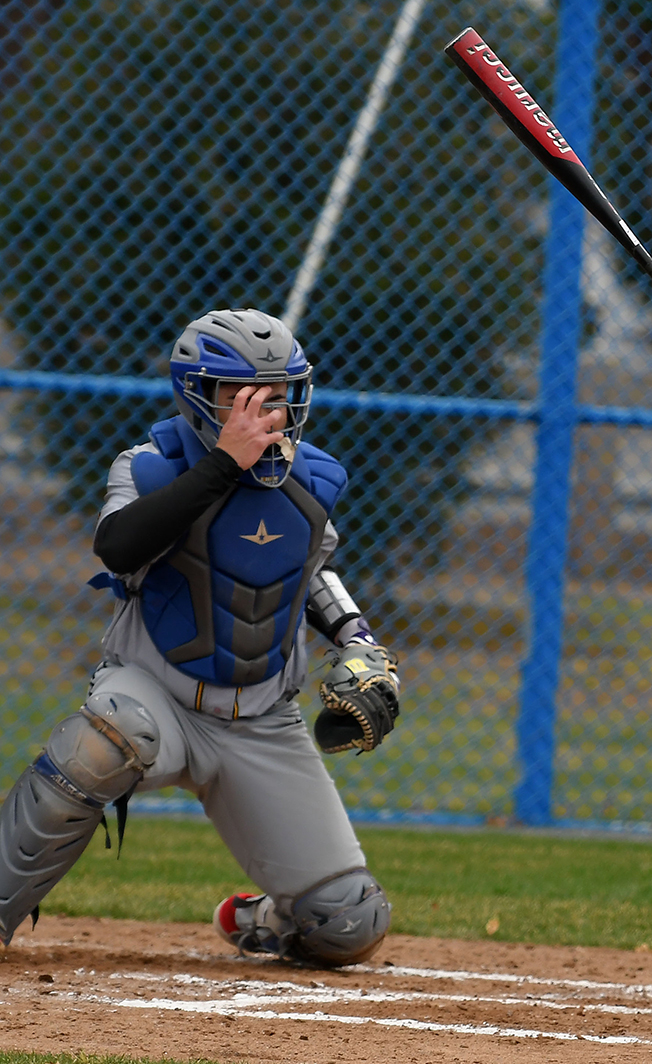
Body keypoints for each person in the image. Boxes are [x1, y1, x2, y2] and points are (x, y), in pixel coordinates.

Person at [0, 308, 402, 967]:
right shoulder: (150, 468)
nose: (262, 413)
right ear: (197, 396)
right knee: (105, 741)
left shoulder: (313, 480)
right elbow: (118, 547)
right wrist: (222, 465)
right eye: (239, 396)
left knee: (349, 923)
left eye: (278, 396)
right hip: (156, 693)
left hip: (262, 720)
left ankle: (261, 917)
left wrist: (358, 640)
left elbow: (314, 572)